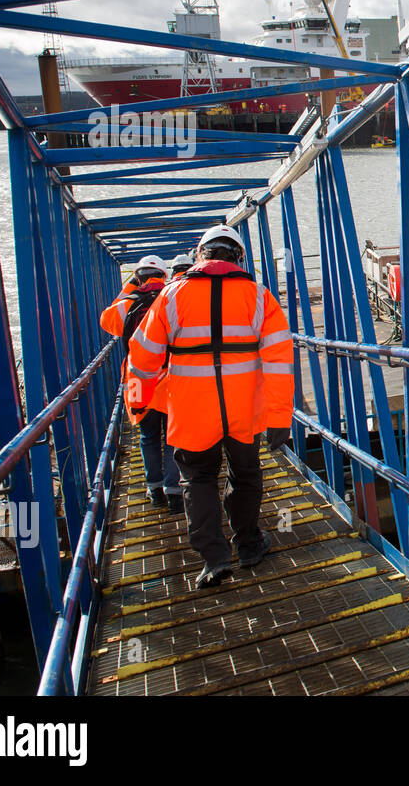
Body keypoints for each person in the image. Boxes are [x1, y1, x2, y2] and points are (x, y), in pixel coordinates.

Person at [126, 225, 294, 589]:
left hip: (190, 412)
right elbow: (280, 362)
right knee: (245, 476)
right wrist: (280, 418)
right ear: (238, 258)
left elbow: (142, 357)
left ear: (200, 255)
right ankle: (249, 545)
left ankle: (214, 560)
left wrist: (138, 404)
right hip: (242, 413)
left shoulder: (171, 297)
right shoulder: (260, 297)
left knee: (198, 480)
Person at [101, 255, 181, 510]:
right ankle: (174, 490)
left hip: (138, 381)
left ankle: (154, 489)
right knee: (172, 437)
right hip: (172, 378)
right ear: (163, 276)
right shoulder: (173, 297)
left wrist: (129, 289)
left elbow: (106, 321)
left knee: (148, 437)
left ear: (138, 277)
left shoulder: (128, 304)